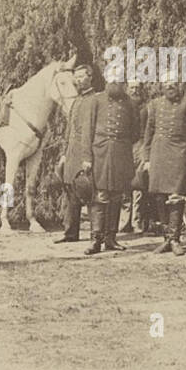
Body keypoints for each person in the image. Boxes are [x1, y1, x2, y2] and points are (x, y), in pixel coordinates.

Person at [141, 73, 186, 255]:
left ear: (179, 84)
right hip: (158, 154)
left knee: (176, 196)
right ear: (162, 85)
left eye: (173, 83)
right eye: (166, 83)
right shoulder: (154, 105)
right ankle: (166, 239)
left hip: (178, 154)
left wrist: (180, 145)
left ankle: (175, 240)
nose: (170, 86)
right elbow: (148, 134)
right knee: (160, 196)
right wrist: (146, 158)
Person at [84, 64, 141, 254]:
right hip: (100, 153)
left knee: (117, 196)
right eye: (112, 78)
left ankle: (111, 238)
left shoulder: (131, 103)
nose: (115, 82)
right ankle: (96, 239)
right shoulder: (96, 100)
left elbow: (135, 133)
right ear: (107, 79)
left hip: (121, 154)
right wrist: (87, 157)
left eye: (119, 78)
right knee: (100, 196)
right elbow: (87, 132)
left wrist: (121, 144)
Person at [55, 63, 96, 244]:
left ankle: (96, 235)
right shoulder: (77, 101)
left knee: (89, 193)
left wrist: (88, 157)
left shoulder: (94, 100)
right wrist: (64, 153)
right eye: (76, 78)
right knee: (71, 192)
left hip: (86, 154)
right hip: (71, 154)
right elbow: (69, 130)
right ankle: (71, 233)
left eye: (81, 77)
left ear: (90, 77)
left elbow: (90, 131)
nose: (78, 80)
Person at [122, 81, 152, 234]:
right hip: (125, 146)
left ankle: (137, 221)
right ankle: (124, 221)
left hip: (140, 145)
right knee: (124, 183)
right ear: (127, 89)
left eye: (137, 88)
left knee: (138, 184)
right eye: (131, 88)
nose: (134, 91)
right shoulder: (122, 107)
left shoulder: (146, 108)